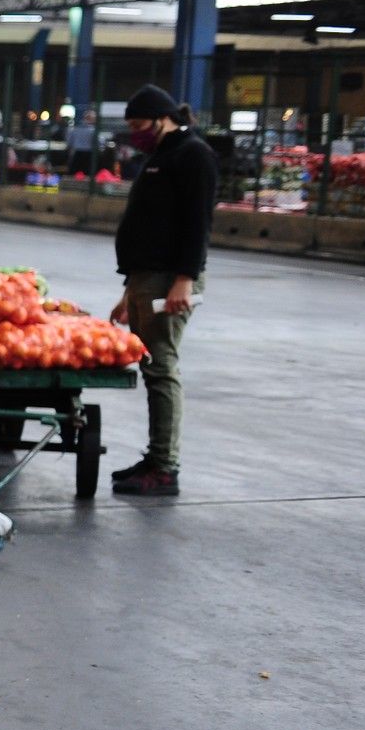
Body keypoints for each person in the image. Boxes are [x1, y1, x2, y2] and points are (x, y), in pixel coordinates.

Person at [109, 83, 217, 498]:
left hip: (170, 279)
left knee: (160, 367)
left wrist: (184, 279)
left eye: (139, 125)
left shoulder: (194, 155)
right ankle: (155, 458)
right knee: (151, 365)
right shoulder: (162, 155)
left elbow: (197, 225)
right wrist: (128, 290)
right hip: (146, 277)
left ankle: (165, 466)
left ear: (163, 118)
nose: (135, 134)